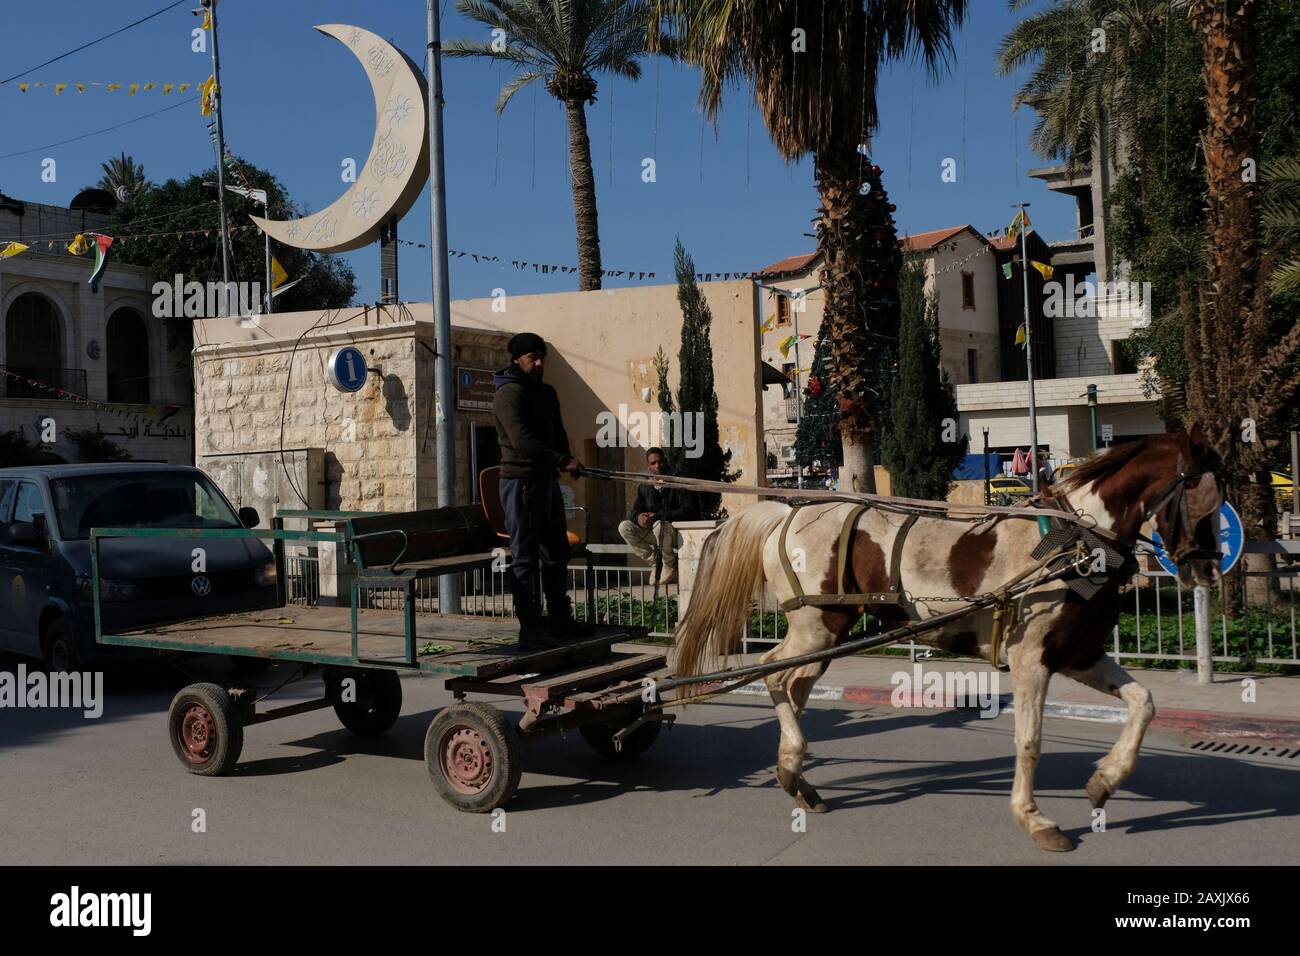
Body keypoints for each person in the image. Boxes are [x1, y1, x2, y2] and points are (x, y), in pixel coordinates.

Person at [492, 332, 592, 648]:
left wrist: (568, 462)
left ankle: (560, 620)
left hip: (546, 482)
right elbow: (522, 441)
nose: (538, 364)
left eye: (541, 358)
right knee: (525, 555)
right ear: (516, 360)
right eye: (532, 358)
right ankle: (530, 627)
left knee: (556, 552)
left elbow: (557, 433)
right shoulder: (509, 394)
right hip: (520, 483)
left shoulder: (547, 393)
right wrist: (560, 459)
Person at [618, 447, 699, 585]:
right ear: (648, 466)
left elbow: (689, 510)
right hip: (656, 534)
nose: (658, 466)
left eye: (660, 462)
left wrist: (657, 516)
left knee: (659, 525)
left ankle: (669, 564)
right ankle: (656, 563)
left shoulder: (678, 479)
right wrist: (639, 517)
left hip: (677, 534)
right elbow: (635, 510)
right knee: (624, 527)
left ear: (665, 461)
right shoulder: (646, 485)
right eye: (653, 463)